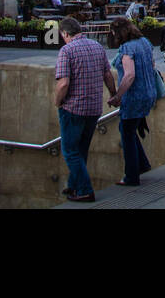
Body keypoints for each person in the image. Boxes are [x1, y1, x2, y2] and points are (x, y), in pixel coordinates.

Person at [54, 16, 116, 203]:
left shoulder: (66, 50)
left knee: (70, 151)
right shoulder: (97, 46)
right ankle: (74, 185)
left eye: (62, 35)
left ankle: (85, 189)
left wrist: (57, 101)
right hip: (94, 107)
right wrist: (113, 94)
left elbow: (63, 83)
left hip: (73, 108)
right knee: (81, 150)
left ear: (65, 33)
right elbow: (107, 74)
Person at [106, 17, 159, 186]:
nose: (113, 36)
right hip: (149, 92)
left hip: (134, 96)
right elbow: (152, 65)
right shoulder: (144, 42)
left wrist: (117, 96)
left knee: (127, 133)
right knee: (128, 128)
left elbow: (129, 75)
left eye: (114, 32)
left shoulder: (127, 48)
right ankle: (142, 164)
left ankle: (132, 175)